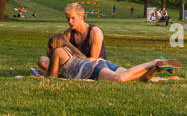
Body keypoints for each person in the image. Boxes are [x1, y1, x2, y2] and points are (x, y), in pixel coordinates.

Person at [37, 32, 178, 82]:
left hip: (93, 70)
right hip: (98, 64)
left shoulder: (58, 52)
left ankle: (155, 62)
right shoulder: (70, 51)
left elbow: (52, 78)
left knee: (120, 79)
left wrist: (43, 75)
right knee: (136, 78)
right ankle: (156, 68)